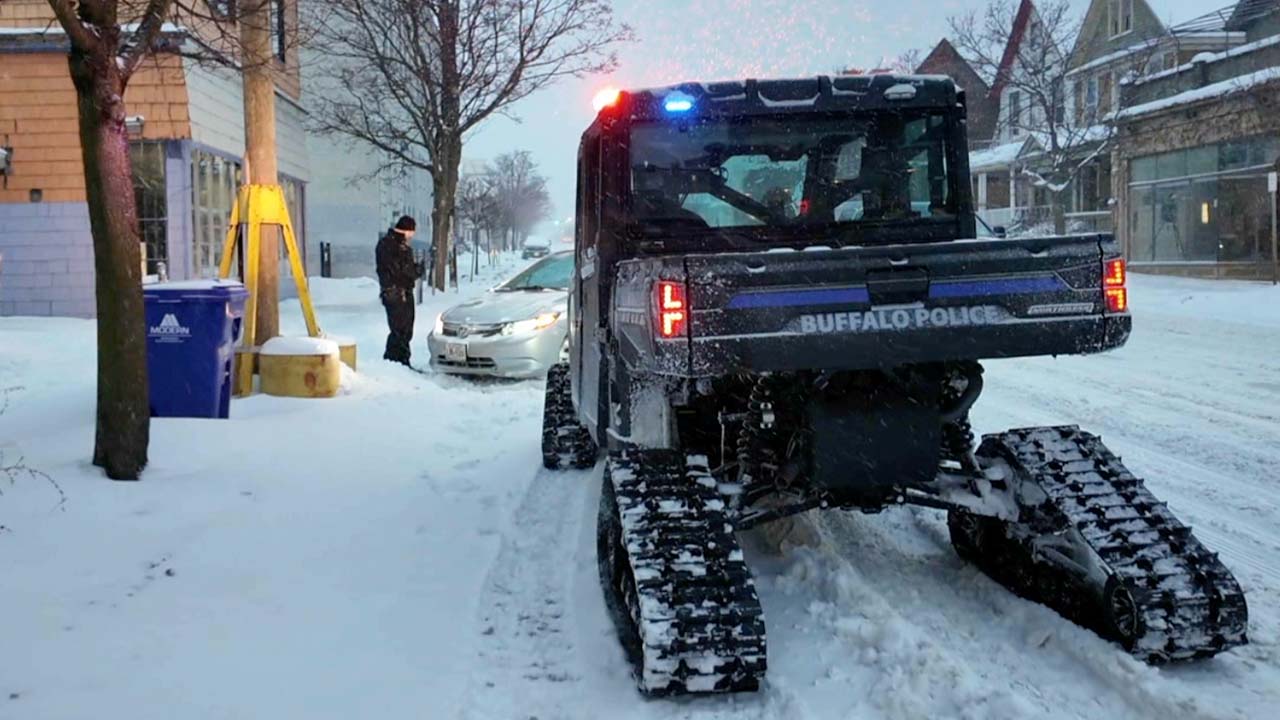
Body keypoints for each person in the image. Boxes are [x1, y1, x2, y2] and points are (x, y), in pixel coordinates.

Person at [376, 215, 423, 365]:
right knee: (401, 330)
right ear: (407, 231)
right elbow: (402, 271)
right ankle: (397, 361)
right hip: (398, 293)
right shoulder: (396, 247)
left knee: (401, 330)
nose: (411, 237)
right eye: (411, 233)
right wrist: (417, 270)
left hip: (394, 292)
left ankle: (397, 360)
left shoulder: (387, 245)